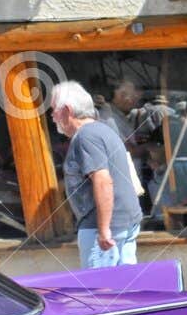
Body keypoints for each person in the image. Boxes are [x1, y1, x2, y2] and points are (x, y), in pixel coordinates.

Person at [50, 80, 141, 267]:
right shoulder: (103, 130)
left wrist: (104, 229)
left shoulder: (85, 136)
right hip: (124, 222)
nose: (52, 117)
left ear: (67, 110)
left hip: (104, 229)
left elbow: (102, 181)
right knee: (126, 285)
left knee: (100, 286)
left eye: (54, 110)